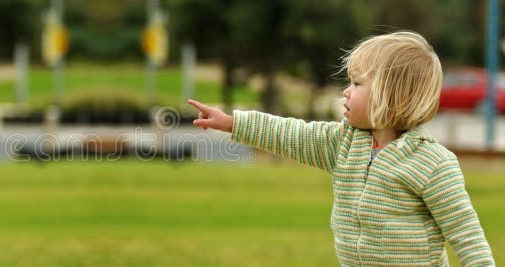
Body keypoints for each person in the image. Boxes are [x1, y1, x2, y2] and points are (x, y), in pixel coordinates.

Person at [188, 31, 495, 266]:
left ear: (392, 95)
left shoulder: (432, 164)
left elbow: (465, 234)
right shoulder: (343, 143)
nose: (346, 92)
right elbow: (289, 134)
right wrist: (232, 123)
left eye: (357, 84)